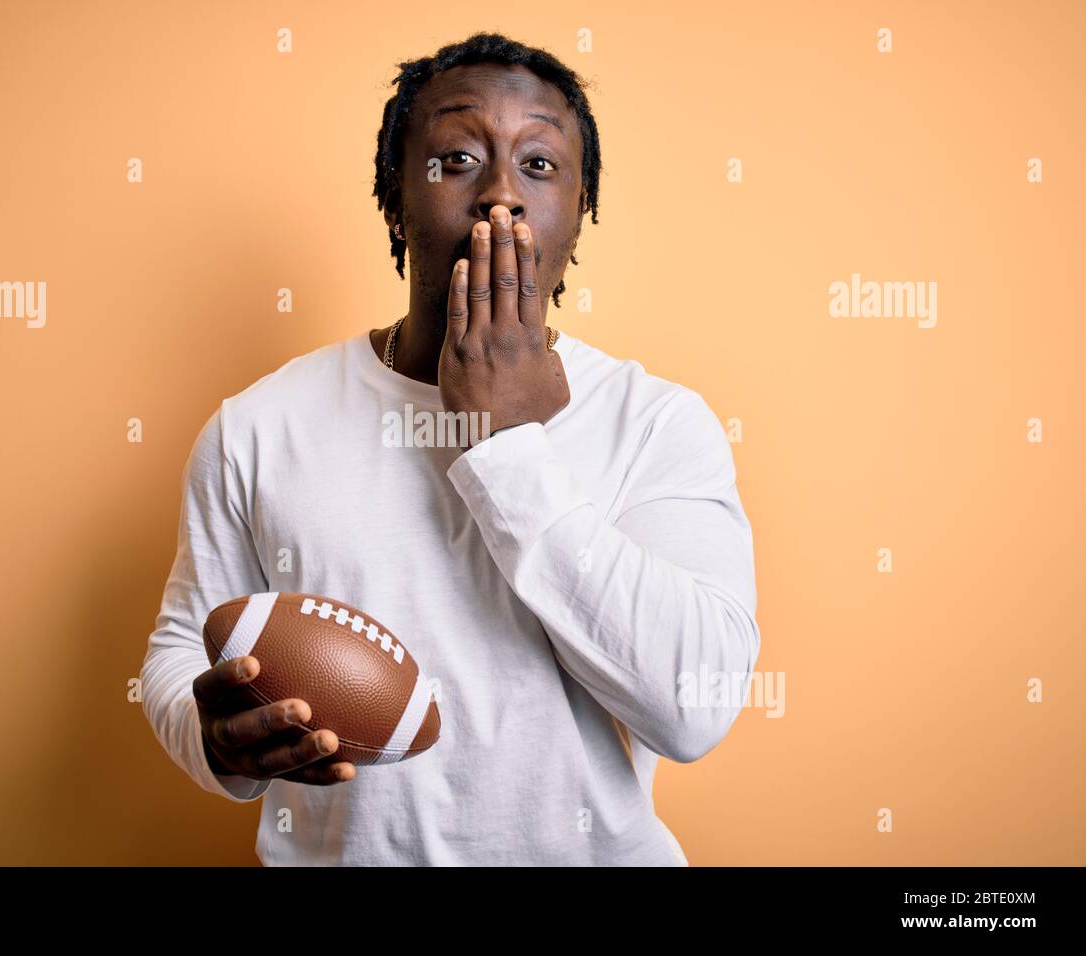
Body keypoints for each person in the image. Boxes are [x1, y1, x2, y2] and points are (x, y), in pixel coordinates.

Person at [140, 31, 761, 866]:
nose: (501, 195)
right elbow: (185, 649)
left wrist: (508, 445)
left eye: (539, 166)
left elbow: (694, 706)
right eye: (457, 158)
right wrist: (215, 742)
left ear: (581, 213)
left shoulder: (655, 422)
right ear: (395, 199)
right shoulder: (257, 426)